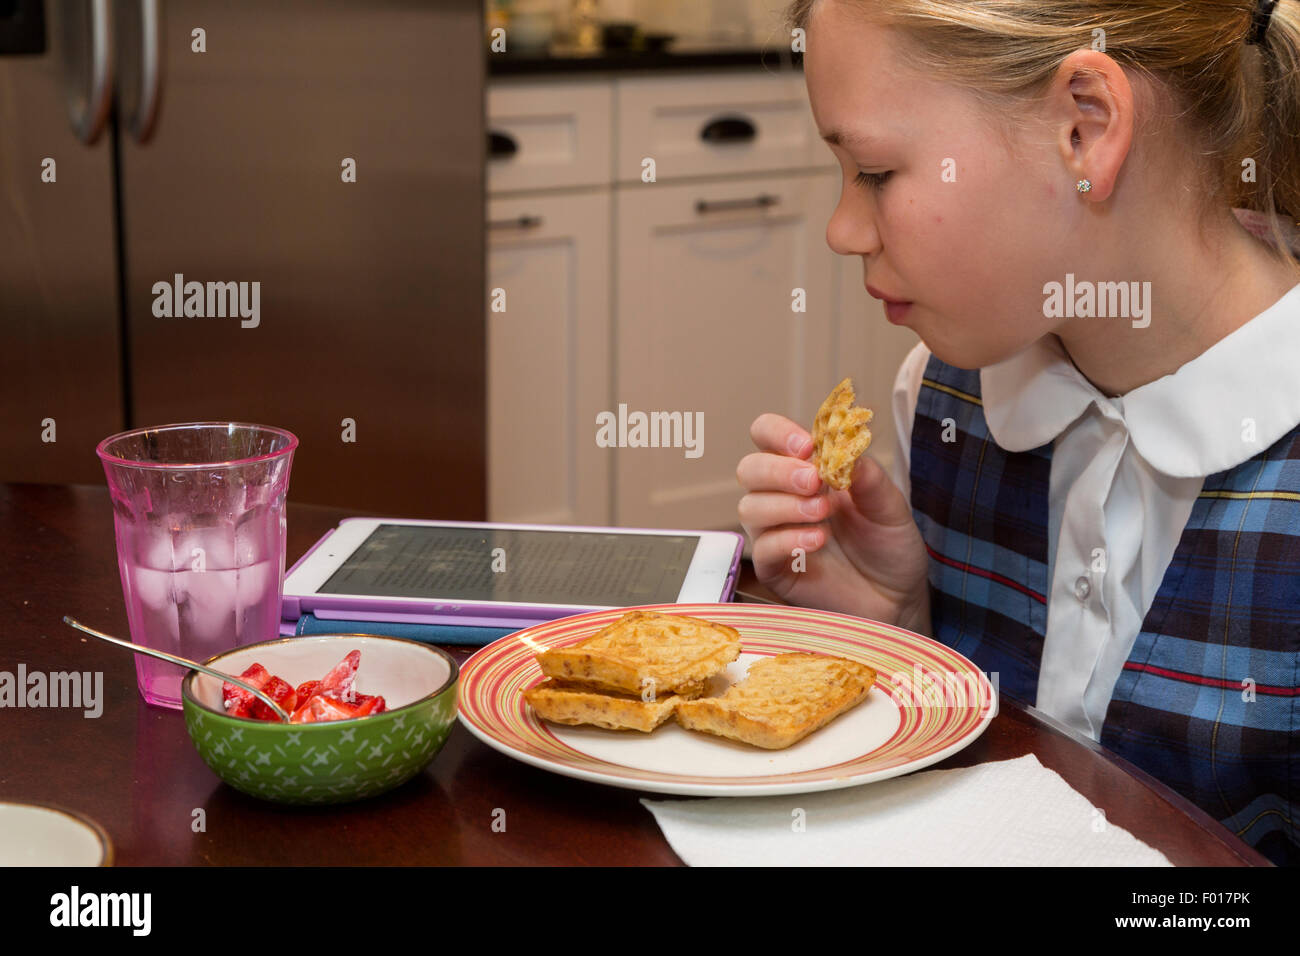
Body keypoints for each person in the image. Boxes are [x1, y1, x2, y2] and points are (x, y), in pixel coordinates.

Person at [738, 0, 1300, 865]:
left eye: (876, 173)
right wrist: (904, 630)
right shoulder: (941, 397)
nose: (841, 229)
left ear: (1086, 128)